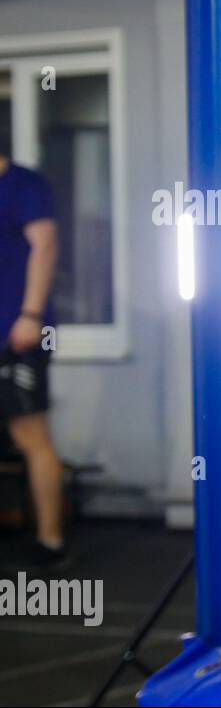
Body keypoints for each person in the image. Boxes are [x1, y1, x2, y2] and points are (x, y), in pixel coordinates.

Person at [0, 151, 65, 571]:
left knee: (30, 436)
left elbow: (45, 246)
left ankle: (50, 541)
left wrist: (31, 315)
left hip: (18, 333)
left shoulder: (24, 185)